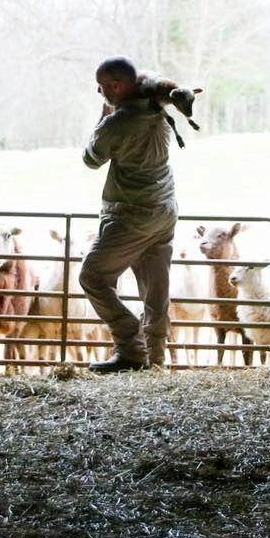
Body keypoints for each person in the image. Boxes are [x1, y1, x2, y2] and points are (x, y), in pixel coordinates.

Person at [79, 56, 179, 372]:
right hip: (164, 210)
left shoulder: (116, 124)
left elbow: (91, 159)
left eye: (102, 87)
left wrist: (105, 115)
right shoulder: (160, 114)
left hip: (130, 214)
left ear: (116, 86)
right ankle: (156, 358)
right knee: (155, 287)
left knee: (93, 276)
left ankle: (130, 345)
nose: (99, 92)